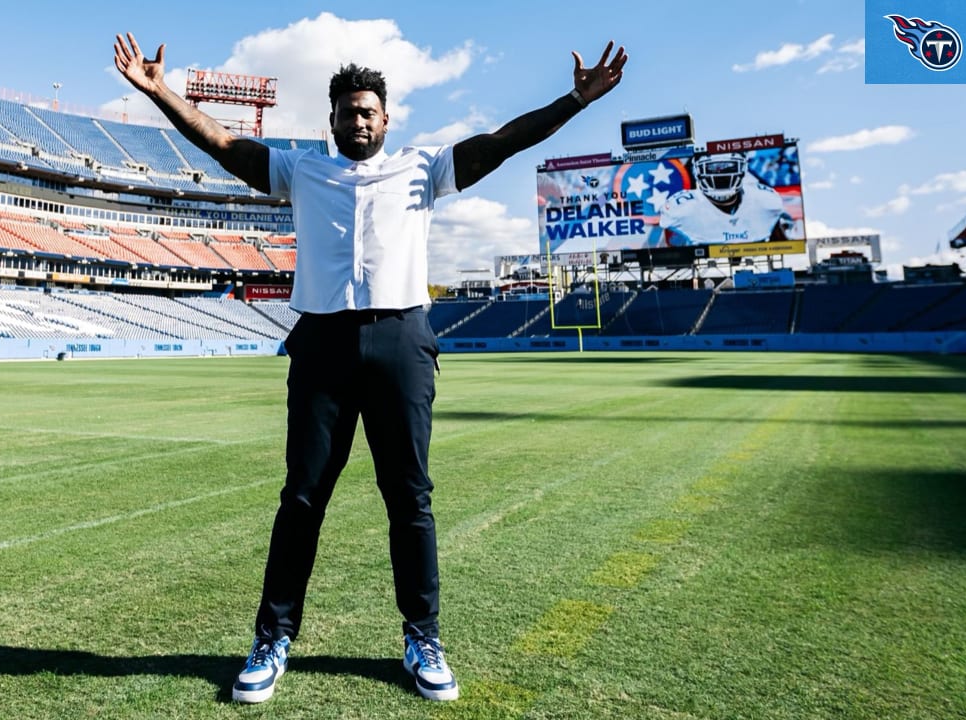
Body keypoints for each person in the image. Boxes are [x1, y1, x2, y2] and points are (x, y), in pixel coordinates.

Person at [113, 31, 626, 704]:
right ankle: (272, 639)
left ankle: (424, 637)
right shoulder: (303, 172)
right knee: (302, 499)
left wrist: (573, 103)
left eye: (368, 112)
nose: (357, 121)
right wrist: (160, 93)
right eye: (347, 112)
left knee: (409, 498)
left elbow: (502, 141)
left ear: (385, 120)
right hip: (322, 344)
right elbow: (223, 144)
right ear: (330, 121)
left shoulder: (424, 169)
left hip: (401, 341)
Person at [659, 152, 794, 246]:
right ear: (697, 171)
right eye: (712, 168)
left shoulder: (765, 201)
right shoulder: (682, 207)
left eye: (728, 167)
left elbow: (784, 242)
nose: (721, 174)